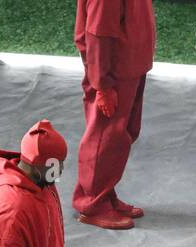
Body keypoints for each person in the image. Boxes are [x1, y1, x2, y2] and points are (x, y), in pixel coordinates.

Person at [73, 0, 156, 230]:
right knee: (104, 139)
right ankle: (92, 205)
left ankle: (104, 194)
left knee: (119, 137)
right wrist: (103, 85)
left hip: (127, 65)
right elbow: (98, 34)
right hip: (113, 73)